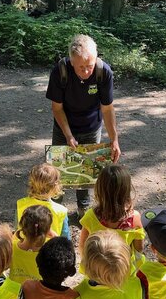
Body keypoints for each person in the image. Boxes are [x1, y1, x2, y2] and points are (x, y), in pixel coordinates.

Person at [45, 34, 121, 215]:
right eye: (81, 67)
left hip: (91, 126)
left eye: (90, 66)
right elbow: (56, 108)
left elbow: (108, 109)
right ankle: (55, 209)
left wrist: (114, 139)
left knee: (87, 169)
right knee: (59, 169)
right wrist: (68, 134)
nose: (86, 71)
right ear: (72, 62)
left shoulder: (104, 72)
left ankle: (83, 209)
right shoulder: (60, 71)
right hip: (64, 124)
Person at [79, 164, 145, 271]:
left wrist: (88, 265)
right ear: (126, 189)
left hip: (97, 270)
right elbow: (139, 249)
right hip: (122, 270)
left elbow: (82, 246)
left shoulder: (91, 216)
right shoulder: (135, 218)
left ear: (100, 189)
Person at [16, 163, 69, 238]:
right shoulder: (61, 211)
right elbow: (65, 238)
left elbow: (17, 231)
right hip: (51, 249)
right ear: (55, 186)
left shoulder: (20, 204)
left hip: (24, 249)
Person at [9, 205, 54, 284]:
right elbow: (64, 247)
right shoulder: (49, 251)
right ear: (47, 230)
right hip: (37, 294)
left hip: (14, 293)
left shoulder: (11, 247)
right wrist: (53, 235)